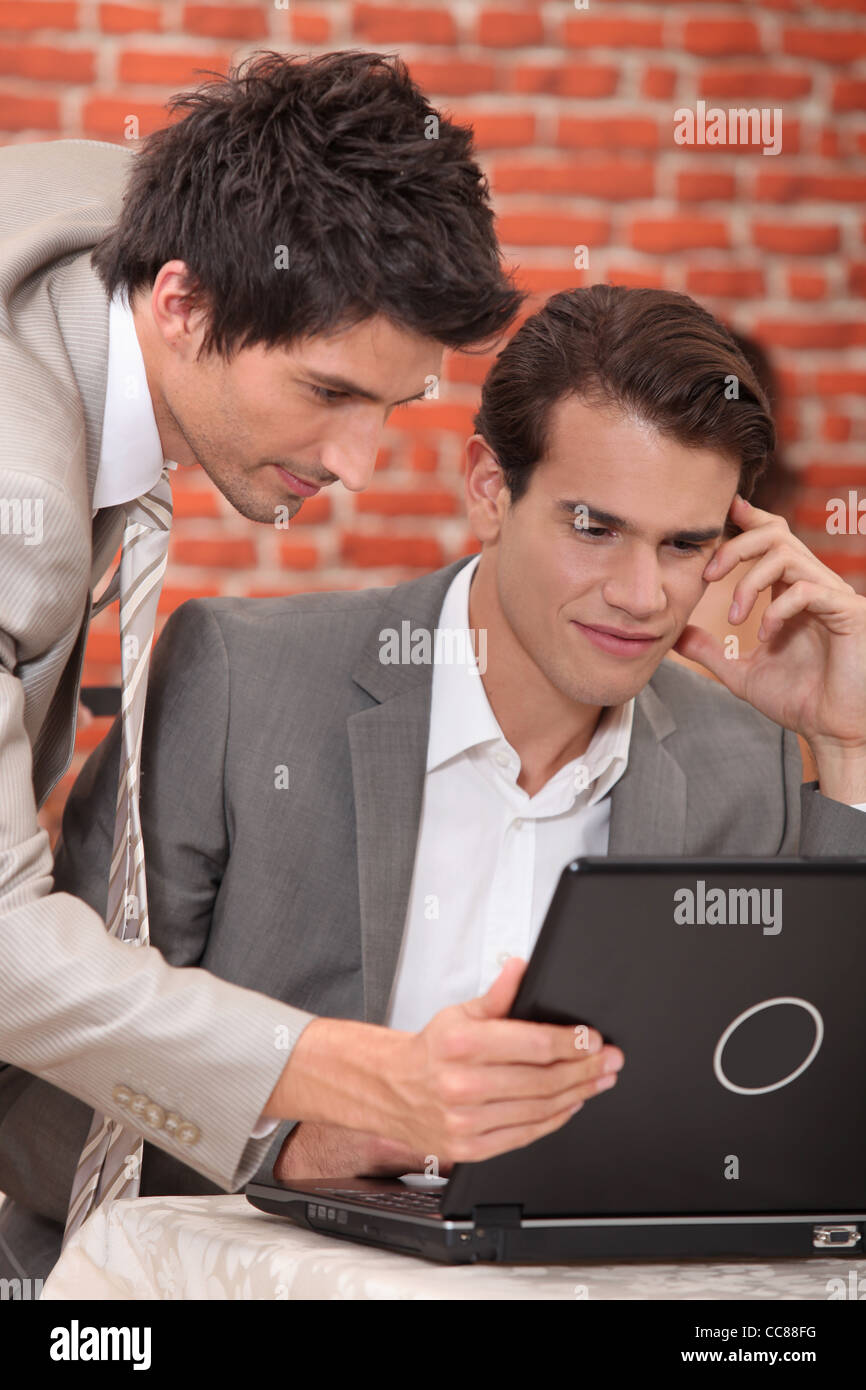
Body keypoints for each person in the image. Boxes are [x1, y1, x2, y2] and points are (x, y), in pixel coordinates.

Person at [3, 285, 864, 1282]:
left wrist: (847, 746)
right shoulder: (238, 687)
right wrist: (281, 1143)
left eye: (685, 544)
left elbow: (802, 1125)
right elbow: (29, 1094)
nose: (642, 595)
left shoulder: (737, 755)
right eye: (593, 527)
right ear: (489, 489)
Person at [0, 48, 525, 1214]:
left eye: (391, 405)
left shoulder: (112, 221)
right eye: (329, 392)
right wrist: (360, 1073)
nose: (355, 464)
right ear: (181, 303)